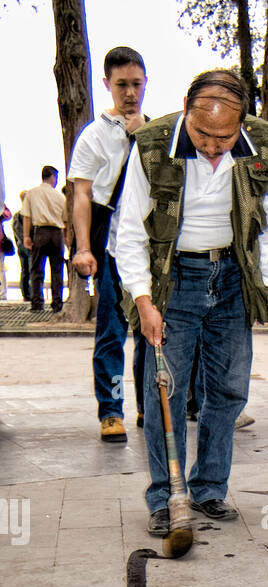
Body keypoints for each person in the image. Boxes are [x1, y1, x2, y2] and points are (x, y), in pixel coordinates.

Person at [116, 68, 268, 537]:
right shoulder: (152, 146)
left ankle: (209, 488)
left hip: (232, 275)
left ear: (242, 124)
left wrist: (263, 281)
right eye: (203, 134)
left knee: (228, 390)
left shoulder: (259, 145)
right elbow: (129, 230)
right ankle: (165, 497)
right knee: (162, 391)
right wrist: (145, 300)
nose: (212, 147)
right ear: (186, 107)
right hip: (175, 279)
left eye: (224, 138)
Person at [68, 45, 150, 445]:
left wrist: (142, 139)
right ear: (107, 85)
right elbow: (81, 195)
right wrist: (84, 248)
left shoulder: (158, 132)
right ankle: (111, 411)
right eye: (122, 85)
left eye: (136, 83)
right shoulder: (94, 136)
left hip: (149, 245)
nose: (130, 93)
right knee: (112, 331)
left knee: (153, 329)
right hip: (111, 244)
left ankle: (147, 406)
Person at [22, 166, 67, 312]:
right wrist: (66, 239)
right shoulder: (60, 196)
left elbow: (27, 216)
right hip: (56, 234)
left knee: (36, 270)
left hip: (40, 232)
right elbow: (65, 220)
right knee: (57, 270)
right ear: (53, 177)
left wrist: (26, 236)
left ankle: (37, 303)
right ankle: (57, 303)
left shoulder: (32, 194)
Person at [11, 194, 31, 301]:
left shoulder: (16, 215)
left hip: (20, 246)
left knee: (24, 270)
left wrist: (19, 242)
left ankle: (25, 293)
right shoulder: (27, 214)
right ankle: (31, 293)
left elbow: (16, 230)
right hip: (27, 245)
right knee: (31, 269)